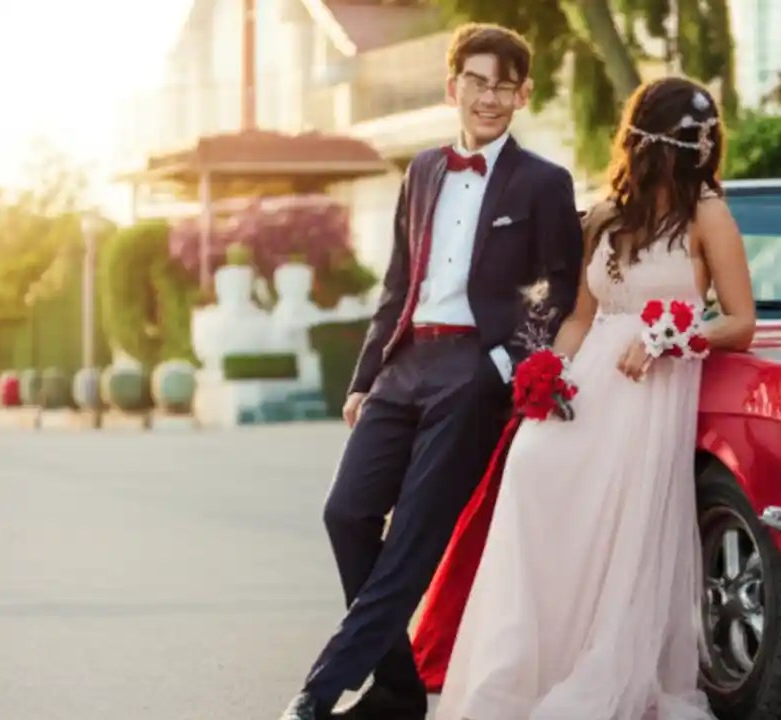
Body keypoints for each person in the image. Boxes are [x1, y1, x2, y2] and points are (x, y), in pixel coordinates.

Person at [279, 22, 584, 720]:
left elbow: (559, 291)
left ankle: (318, 694)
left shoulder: (544, 182)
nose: (489, 97)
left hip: (474, 372)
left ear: (523, 94)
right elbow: (397, 281)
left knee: (413, 539)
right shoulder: (420, 171)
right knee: (347, 512)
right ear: (453, 87)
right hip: (406, 362)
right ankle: (398, 689)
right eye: (477, 82)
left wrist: (503, 366)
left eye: (505, 85)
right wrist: (363, 378)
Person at [431, 76, 757, 720]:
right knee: (530, 475)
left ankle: (602, 670)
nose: (697, 150)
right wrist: (553, 369)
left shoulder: (709, 214)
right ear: (647, 142)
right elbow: (580, 316)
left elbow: (742, 323)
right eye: (685, 139)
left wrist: (673, 335)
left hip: (651, 393)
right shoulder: (605, 214)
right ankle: (529, 663)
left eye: (702, 138)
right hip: (590, 384)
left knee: (620, 528)